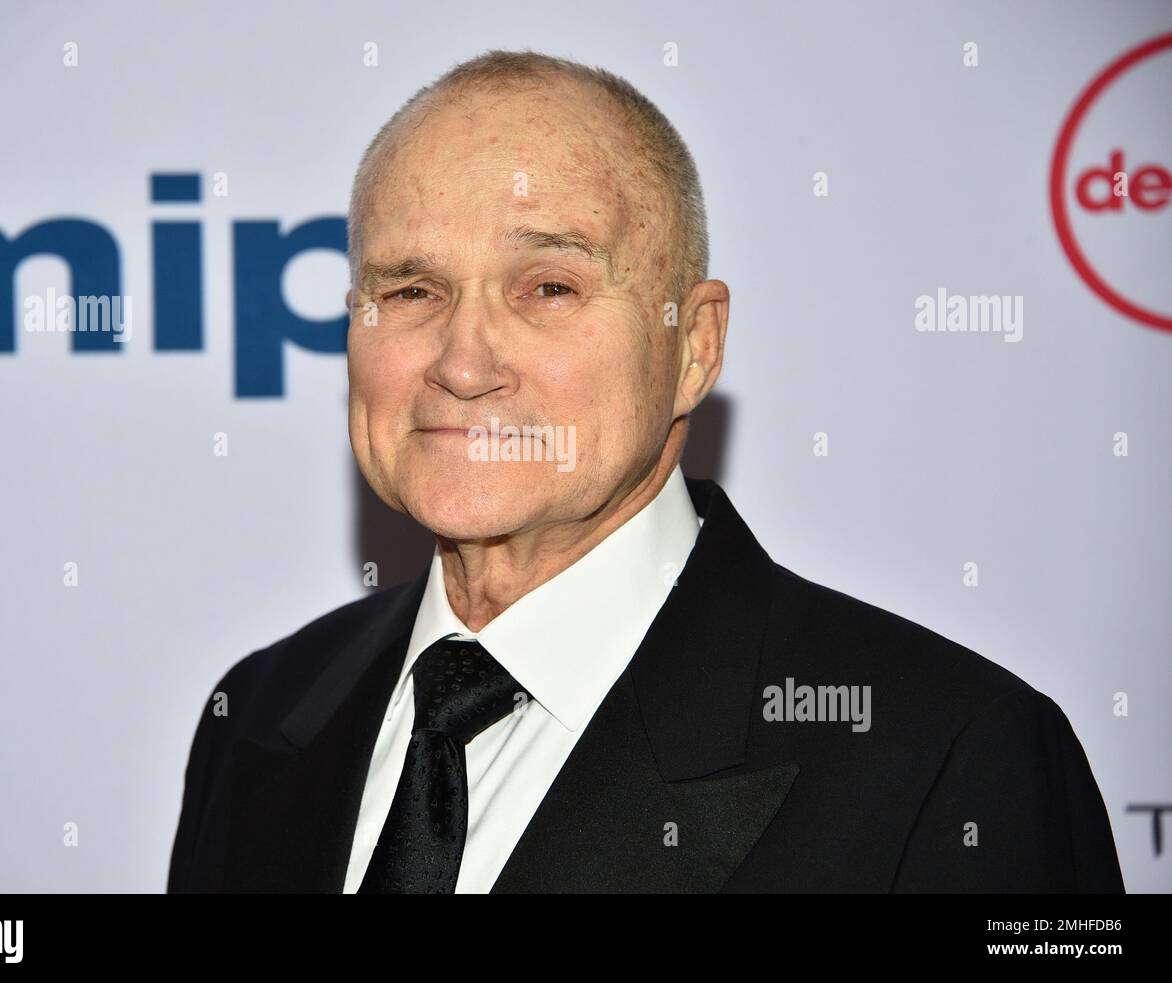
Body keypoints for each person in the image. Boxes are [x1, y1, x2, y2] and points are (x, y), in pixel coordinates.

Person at [166, 49, 1124, 893]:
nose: (462, 362)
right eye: (411, 290)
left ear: (695, 346)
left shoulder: (949, 758)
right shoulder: (260, 714)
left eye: (549, 288)